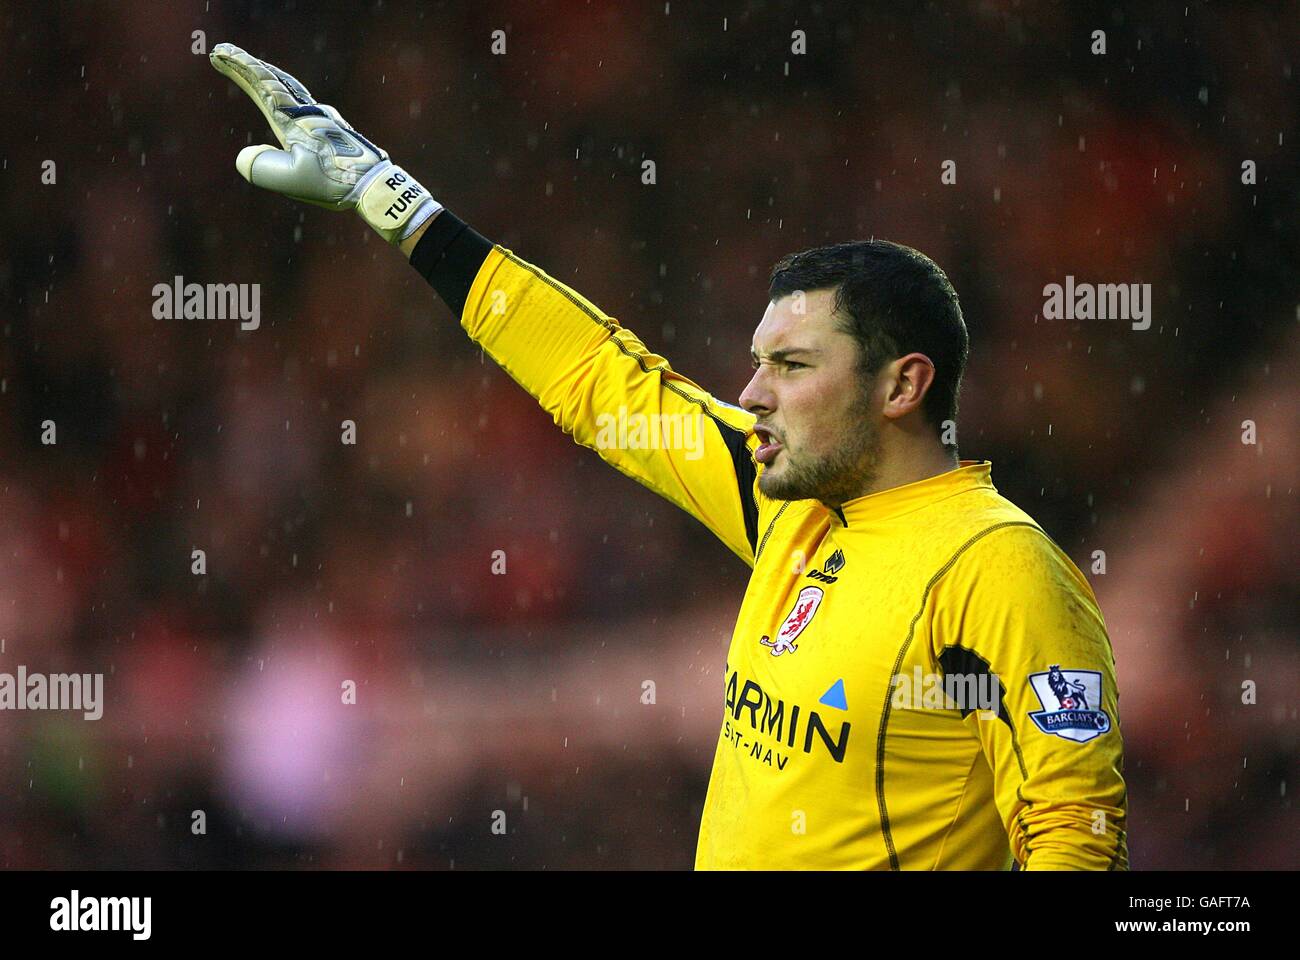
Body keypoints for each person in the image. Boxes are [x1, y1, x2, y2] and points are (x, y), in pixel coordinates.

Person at [210, 43, 1128, 870]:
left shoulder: (999, 570)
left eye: (793, 366)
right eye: (758, 361)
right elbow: (604, 382)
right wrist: (400, 208)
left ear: (902, 387)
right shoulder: (790, 504)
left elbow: (1074, 835)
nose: (754, 393)